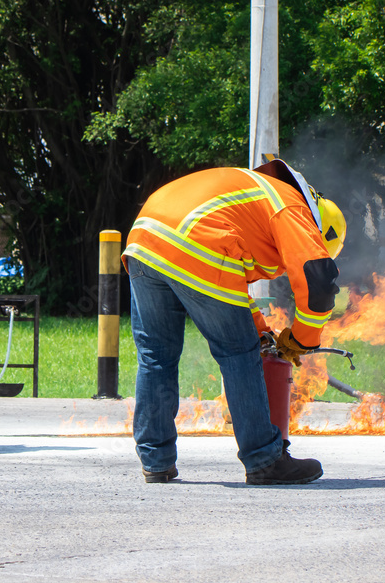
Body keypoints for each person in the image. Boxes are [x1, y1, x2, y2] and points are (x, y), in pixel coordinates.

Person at [123, 159, 346, 485]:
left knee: (157, 355)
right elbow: (319, 283)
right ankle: (264, 460)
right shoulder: (292, 207)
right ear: (317, 227)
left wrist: (262, 331)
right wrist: (302, 340)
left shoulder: (251, 193)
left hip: (144, 238)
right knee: (239, 352)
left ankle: (155, 461)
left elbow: (229, 284)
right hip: (194, 240)